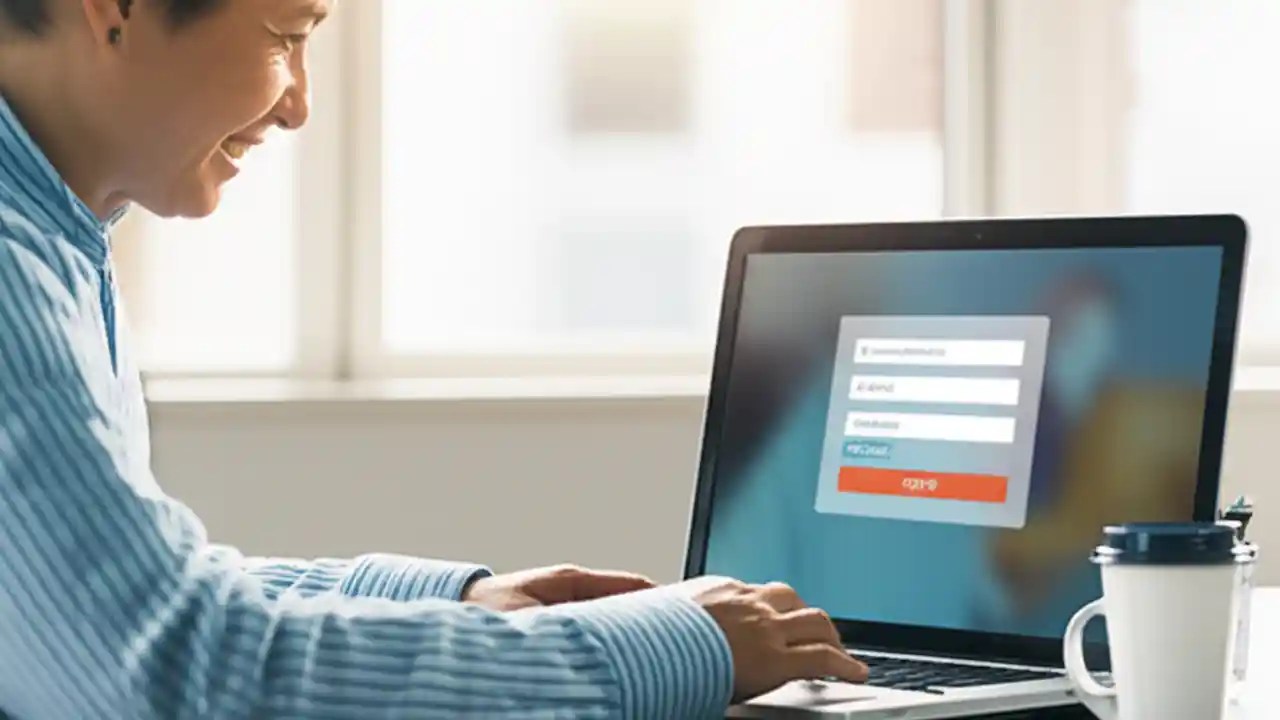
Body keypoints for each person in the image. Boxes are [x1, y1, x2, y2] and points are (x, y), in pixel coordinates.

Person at [0, 0, 867, 717]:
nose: (298, 103)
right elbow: (179, 673)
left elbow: (114, 597)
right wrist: (679, 647)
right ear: (114, 11)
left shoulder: (52, 242)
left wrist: (447, 602)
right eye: (286, 39)